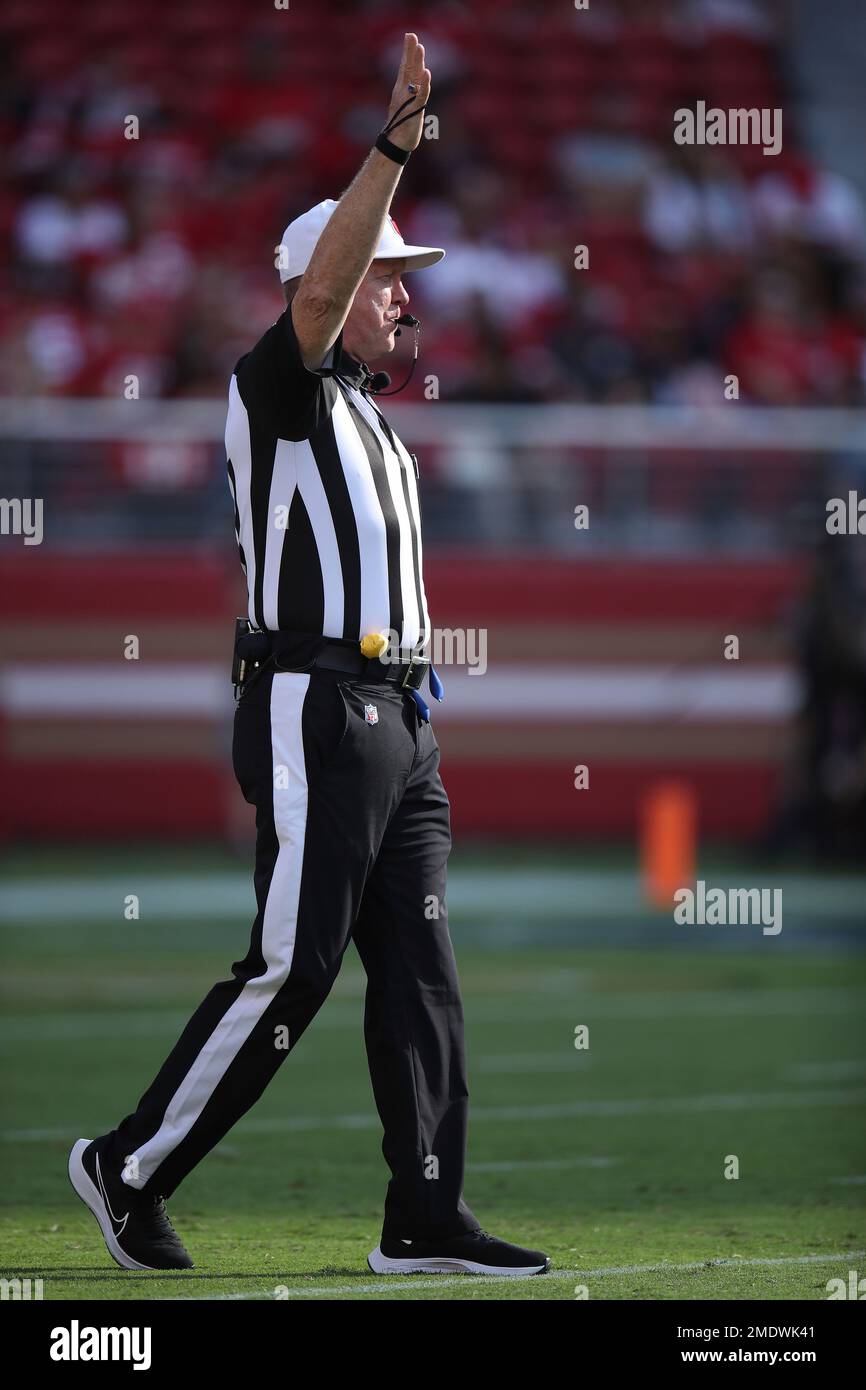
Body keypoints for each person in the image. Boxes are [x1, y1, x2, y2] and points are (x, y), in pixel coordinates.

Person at [68, 34, 550, 1280]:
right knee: (294, 969)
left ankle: (423, 1211)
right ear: (326, 278)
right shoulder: (276, 384)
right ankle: (128, 1166)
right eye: (391, 275)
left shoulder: (374, 422)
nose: (408, 297)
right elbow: (323, 302)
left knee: (424, 973)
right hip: (315, 703)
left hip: (402, 715)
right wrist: (391, 145)